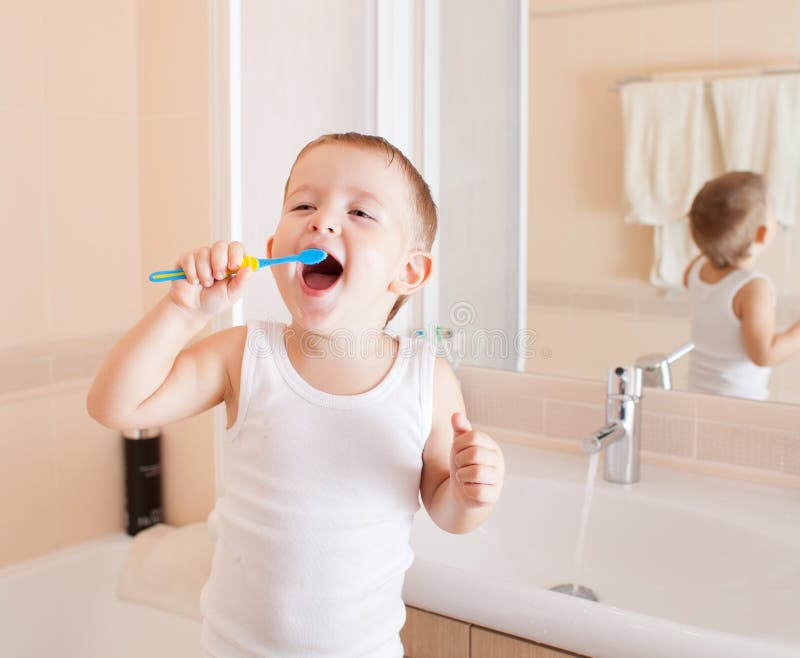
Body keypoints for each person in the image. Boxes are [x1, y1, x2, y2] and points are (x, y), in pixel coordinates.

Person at [86, 132, 506, 657]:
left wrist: (471, 493)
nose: (322, 220)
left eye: (360, 213)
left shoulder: (427, 380)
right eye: (304, 204)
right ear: (272, 252)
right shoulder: (243, 356)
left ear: (409, 271)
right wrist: (184, 312)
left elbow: (447, 510)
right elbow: (115, 405)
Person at [683, 171, 800, 400]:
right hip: (739, 404)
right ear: (761, 233)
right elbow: (764, 354)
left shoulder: (696, 269)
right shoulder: (752, 288)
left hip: (697, 396)